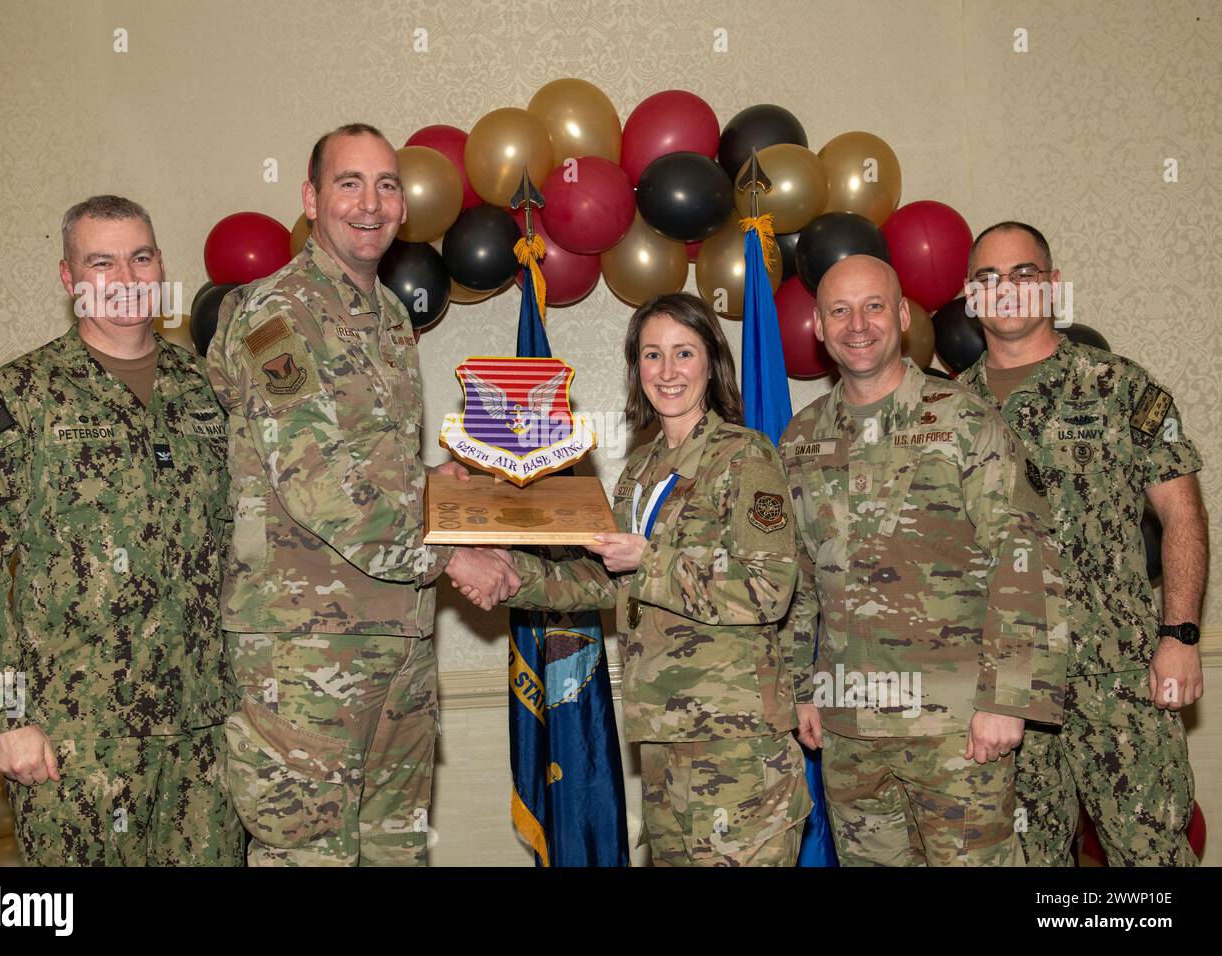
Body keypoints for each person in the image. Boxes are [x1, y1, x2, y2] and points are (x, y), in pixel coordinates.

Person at [205, 123, 519, 867]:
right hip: (303, 656)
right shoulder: (276, 314)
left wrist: (439, 488)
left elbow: (370, 468)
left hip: (395, 642)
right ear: (311, 199)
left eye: (386, 185)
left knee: (394, 854)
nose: (370, 204)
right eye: (350, 183)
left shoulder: (387, 319)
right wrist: (449, 557)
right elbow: (319, 486)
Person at [0, 195, 243, 865]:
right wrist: (5, 720)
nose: (127, 281)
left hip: (204, 737)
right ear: (69, 279)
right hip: (76, 744)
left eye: (141, 257)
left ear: (162, 266)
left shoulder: (209, 389)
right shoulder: (15, 399)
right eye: (102, 263)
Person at [471, 292, 810, 866]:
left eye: (684, 353)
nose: (668, 371)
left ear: (712, 362)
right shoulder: (640, 469)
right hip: (660, 739)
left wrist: (648, 557)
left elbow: (769, 588)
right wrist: (511, 574)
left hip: (735, 747)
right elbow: (609, 582)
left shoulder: (743, 457)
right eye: (652, 355)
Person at [780, 254, 1068, 866]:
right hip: (850, 727)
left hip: (957, 730)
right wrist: (801, 690)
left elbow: (1025, 556)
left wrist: (1007, 698)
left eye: (875, 306)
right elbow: (799, 580)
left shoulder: (963, 420)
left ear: (903, 316)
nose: (859, 324)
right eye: (841, 310)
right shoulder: (801, 438)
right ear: (818, 327)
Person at [958, 221, 1207, 866]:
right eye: (988, 279)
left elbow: (1182, 516)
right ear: (969, 297)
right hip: (1008, 688)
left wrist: (1180, 637)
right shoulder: (947, 409)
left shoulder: (1121, 387)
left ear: (1054, 287)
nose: (1005, 291)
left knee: (1151, 861)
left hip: (1119, 673)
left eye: (1023, 275)